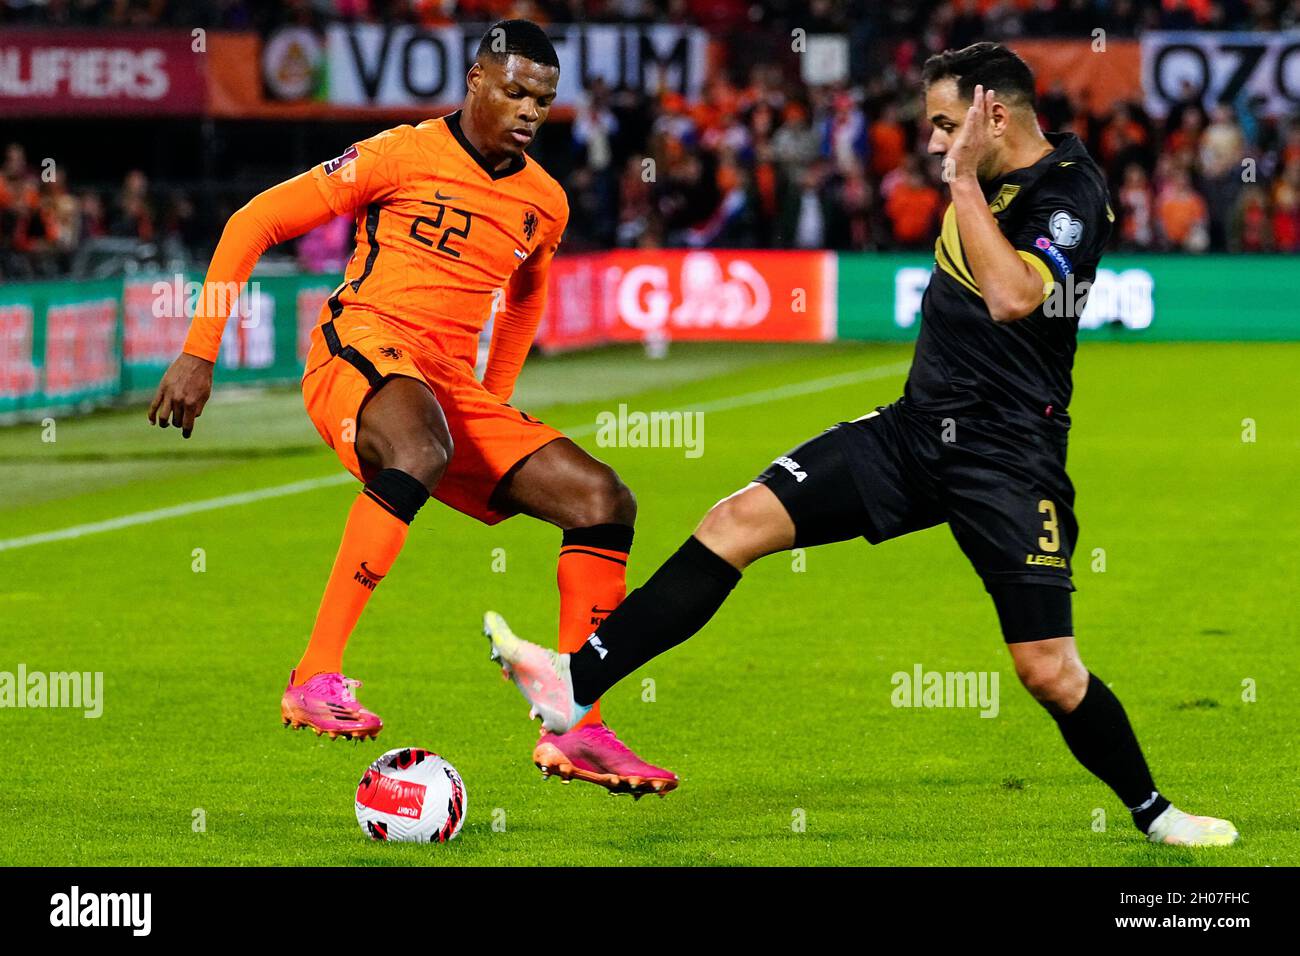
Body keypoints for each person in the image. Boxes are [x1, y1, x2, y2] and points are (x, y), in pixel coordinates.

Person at [484, 42, 1239, 846]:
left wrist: (959, 181)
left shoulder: (1070, 191)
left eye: (948, 125)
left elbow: (1016, 296)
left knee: (1047, 669)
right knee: (736, 522)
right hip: (915, 431)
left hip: (1009, 456)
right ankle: (575, 688)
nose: (936, 143)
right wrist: (963, 179)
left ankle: (1155, 815)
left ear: (995, 113)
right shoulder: (980, 181)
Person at [148, 19, 675, 797]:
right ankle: (315, 673)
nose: (531, 110)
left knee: (603, 499)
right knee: (419, 446)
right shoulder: (399, 153)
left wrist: (492, 399)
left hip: (446, 385)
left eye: (545, 99)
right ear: (475, 81)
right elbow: (252, 222)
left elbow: (525, 297)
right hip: (359, 343)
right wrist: (200, 349)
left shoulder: (544, 202)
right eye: (516, 91)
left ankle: (577, 724)